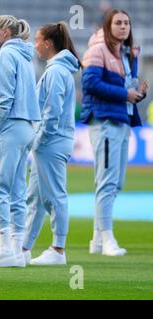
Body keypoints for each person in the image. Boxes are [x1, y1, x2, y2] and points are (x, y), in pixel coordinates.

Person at [80, 9, 148, 256]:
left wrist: (137, 93)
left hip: (121, 119)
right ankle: (107, 239)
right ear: (108, 27)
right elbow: (89, 83)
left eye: (127, 23)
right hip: (105, 121)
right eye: (118, 23)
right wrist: (124, 94)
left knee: (114, 183)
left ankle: (98, 239)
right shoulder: (98, 51)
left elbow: (124, 87)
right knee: (107, 182)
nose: (123, 27)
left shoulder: (127, 54)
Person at [0, 15, 40, 268]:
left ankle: (4, 246)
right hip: (26, 126)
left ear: (5, 32)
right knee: (16, 190)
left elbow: (4, 98)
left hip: (11, 125)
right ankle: (16, 249)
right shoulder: (25, 55)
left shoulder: (5, 54)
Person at [22, 22, 81, 265]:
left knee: (55, 196)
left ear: (48, 43)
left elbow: (52, 111)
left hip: (52, 143)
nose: (34, 45)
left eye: (37, 40)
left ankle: (58, 249)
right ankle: (24, 247)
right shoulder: (56, 70)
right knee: (35, 197)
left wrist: (38, 140)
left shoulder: (56, 71)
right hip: (52, 142)